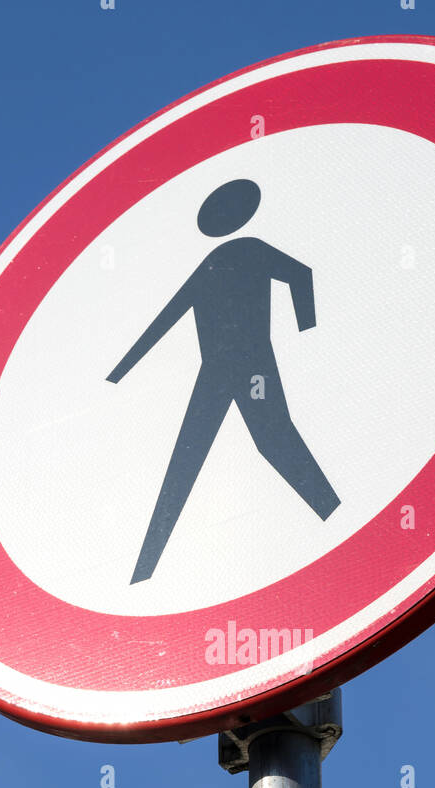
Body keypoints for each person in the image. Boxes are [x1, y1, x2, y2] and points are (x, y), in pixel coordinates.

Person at [108, 178, 341, 584]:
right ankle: (143, 575)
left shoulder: (250, 249)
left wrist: (309, 330)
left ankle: (338, 519)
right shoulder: (213, 262)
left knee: (274, 441)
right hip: (213, 370)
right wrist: (119, 373)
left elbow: (300, 274)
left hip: (252, 361)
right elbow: (166, 318)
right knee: (186, 457)